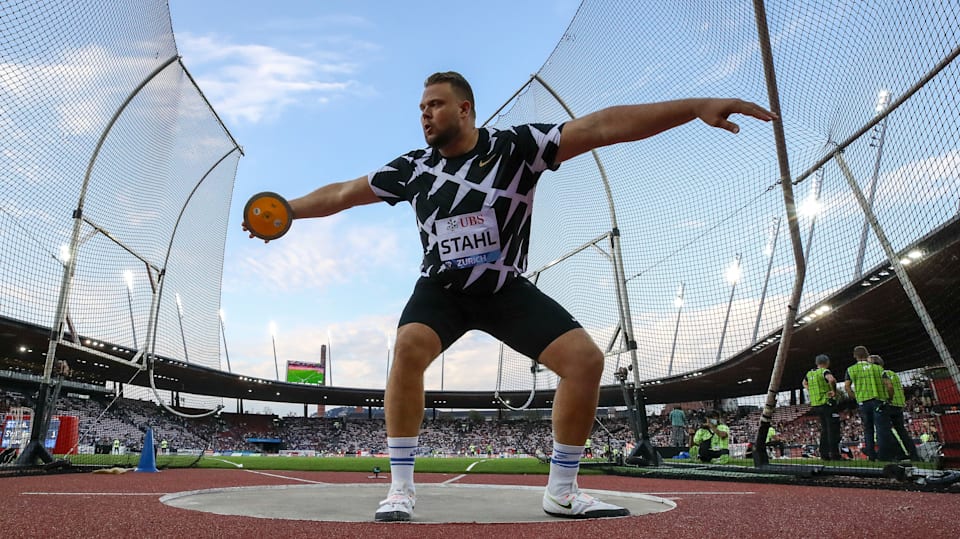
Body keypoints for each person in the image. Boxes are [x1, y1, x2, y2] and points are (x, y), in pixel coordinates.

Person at [245, 71, 775, 521]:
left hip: (504, 289)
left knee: (586, 360)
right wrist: (287, 209)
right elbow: (342, 194)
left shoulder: (516, 147)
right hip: (443, 291)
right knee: (408, 348)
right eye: (421, 108)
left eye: (435, 105)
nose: (425, 115)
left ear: (464, 108)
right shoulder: (412, 168)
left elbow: (603, 126)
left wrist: (694, 107)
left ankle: (562, 490)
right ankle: (401, 489)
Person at [844, 345, 894, 461]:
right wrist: (889, 398)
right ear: (867, 354)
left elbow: (847, 387)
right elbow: (889, 386)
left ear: (854, 356)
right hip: (878, 401)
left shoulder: (851, 369)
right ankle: (884, 456)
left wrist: (856, 398)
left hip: (863, 403)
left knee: (868, 429)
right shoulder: (877, 368)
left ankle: (871, 456)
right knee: (881, 429)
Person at [871, 355, 920, 461]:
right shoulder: (893, 374)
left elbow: (888, 388)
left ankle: (896, 453)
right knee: (901, 431)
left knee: (884, 430)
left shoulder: (879, 374)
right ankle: (913, 455)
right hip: (898, 405)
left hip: (888, 403)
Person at [803, 354, 841, 460]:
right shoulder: (824, 371)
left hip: (816, 405)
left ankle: (824, 454)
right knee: (832, 429)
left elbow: (804, 383)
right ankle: (834, 454)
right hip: (827, 403)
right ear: (827, 362)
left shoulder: (809, 373)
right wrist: (833, 391)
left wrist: (811, 391)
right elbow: (831, 380)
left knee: (824, 429)